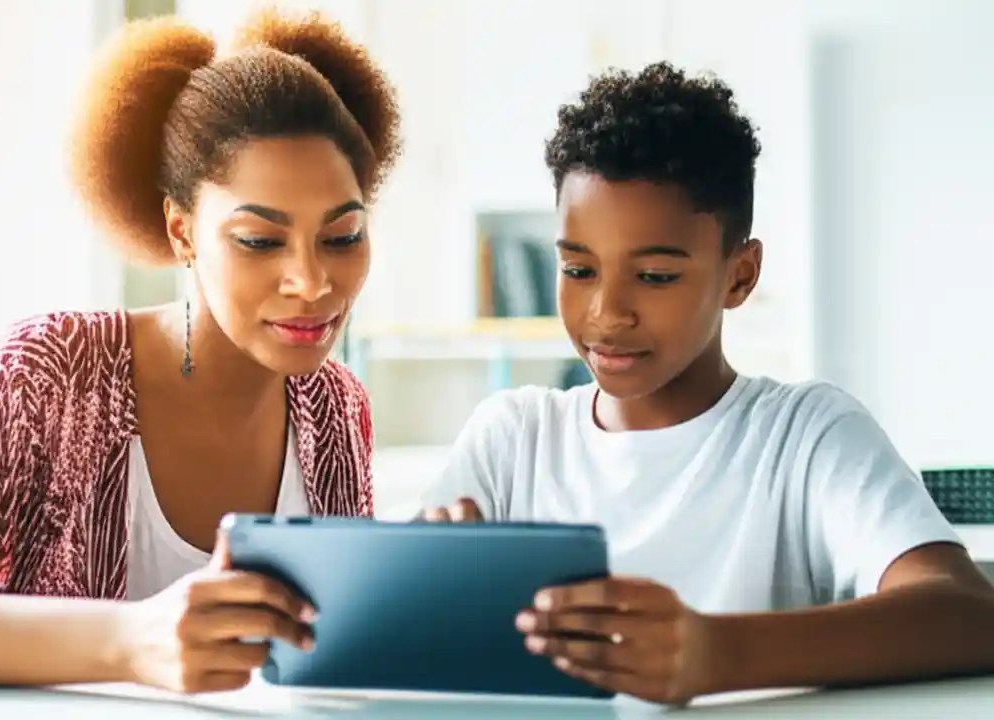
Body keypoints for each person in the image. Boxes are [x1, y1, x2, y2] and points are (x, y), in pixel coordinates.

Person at [0, 8, 401, 694]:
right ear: (182, 231)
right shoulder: (49, 373)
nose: (313, 282)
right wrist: (131, 641)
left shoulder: (335, 407)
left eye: (342, 237)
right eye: (260, 240)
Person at [421, 62, 994, 705]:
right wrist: (427, 585)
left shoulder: (805, 436)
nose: (607, 313)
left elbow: (972, 614)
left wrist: (719, 654)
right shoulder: (511, 439)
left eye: (657, 277)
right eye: (578, 269)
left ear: (740, 276)